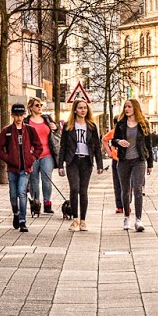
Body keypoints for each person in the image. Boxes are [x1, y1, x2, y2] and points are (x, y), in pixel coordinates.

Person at [0, 102, 46, 232]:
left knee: (22, 192)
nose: (19, 118)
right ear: (12, 115)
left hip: (26, 169)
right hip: (12, 169)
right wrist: (8, 159)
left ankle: (23, 220)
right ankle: (16, 213)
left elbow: (39, 146)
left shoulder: (29, 130)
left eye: (21, 115)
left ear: (24, 115)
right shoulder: (7, 131)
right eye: (16, 115)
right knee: (13, 195)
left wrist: (32, 158)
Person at [57, 99, 105, 231]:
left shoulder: (91, 126)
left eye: (85, 108)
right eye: (80, 108)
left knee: (83, 191)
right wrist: (60, 165)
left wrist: (100, 164)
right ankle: (75, 220)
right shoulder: (68, 126)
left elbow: (96, 146)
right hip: (72, 161)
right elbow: (63, 147)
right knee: (74, 188)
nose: (83, 110)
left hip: (86, 161)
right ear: (75, 110)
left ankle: (83, 220)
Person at [112, 98, 154, 231]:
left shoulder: (143, 124)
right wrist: (118, 141)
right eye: (125, 107)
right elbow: (113, 140)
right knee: (125, 190)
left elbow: (149, 144)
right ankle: (126, 217)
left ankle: (139, 220)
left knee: (138, 189)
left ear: (135, 108)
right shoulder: (121, 124)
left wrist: (150, 163)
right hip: (124, 160)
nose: (126, 109)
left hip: (139, 160)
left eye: (129, 106)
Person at [25, 99, 60, 217]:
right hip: (32, 154)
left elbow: (57, 130)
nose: (39, 107)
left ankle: (47, 203)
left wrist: (55, 127)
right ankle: (36, 203)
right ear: (31, 107)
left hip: (47, 153)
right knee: (34, 179)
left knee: (47, 178)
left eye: (41, 105)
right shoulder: (27, 121)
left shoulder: (47, 119)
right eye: (37, 105)